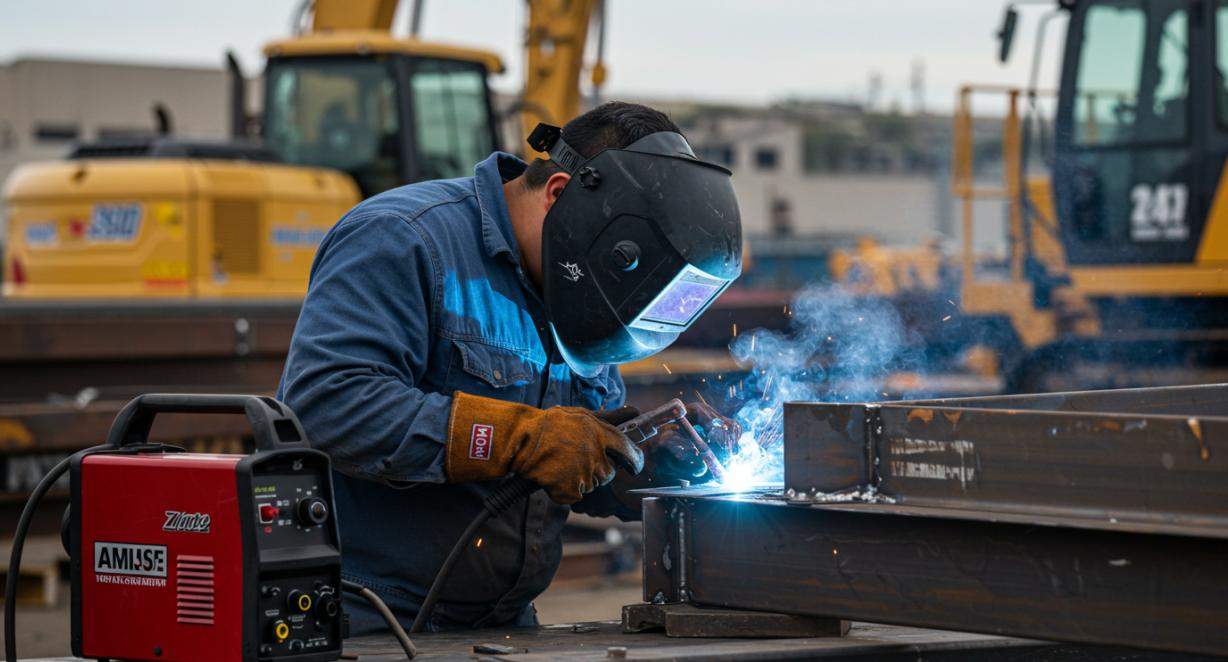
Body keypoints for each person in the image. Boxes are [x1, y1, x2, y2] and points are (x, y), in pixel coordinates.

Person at [277, 101, 742, 633]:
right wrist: (524, 438)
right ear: (562, 194)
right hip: (369, 616)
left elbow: (563, 462)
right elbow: (326, 404)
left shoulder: (581, 298)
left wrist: (641, 466)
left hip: (505, 625)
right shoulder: (403, 237)